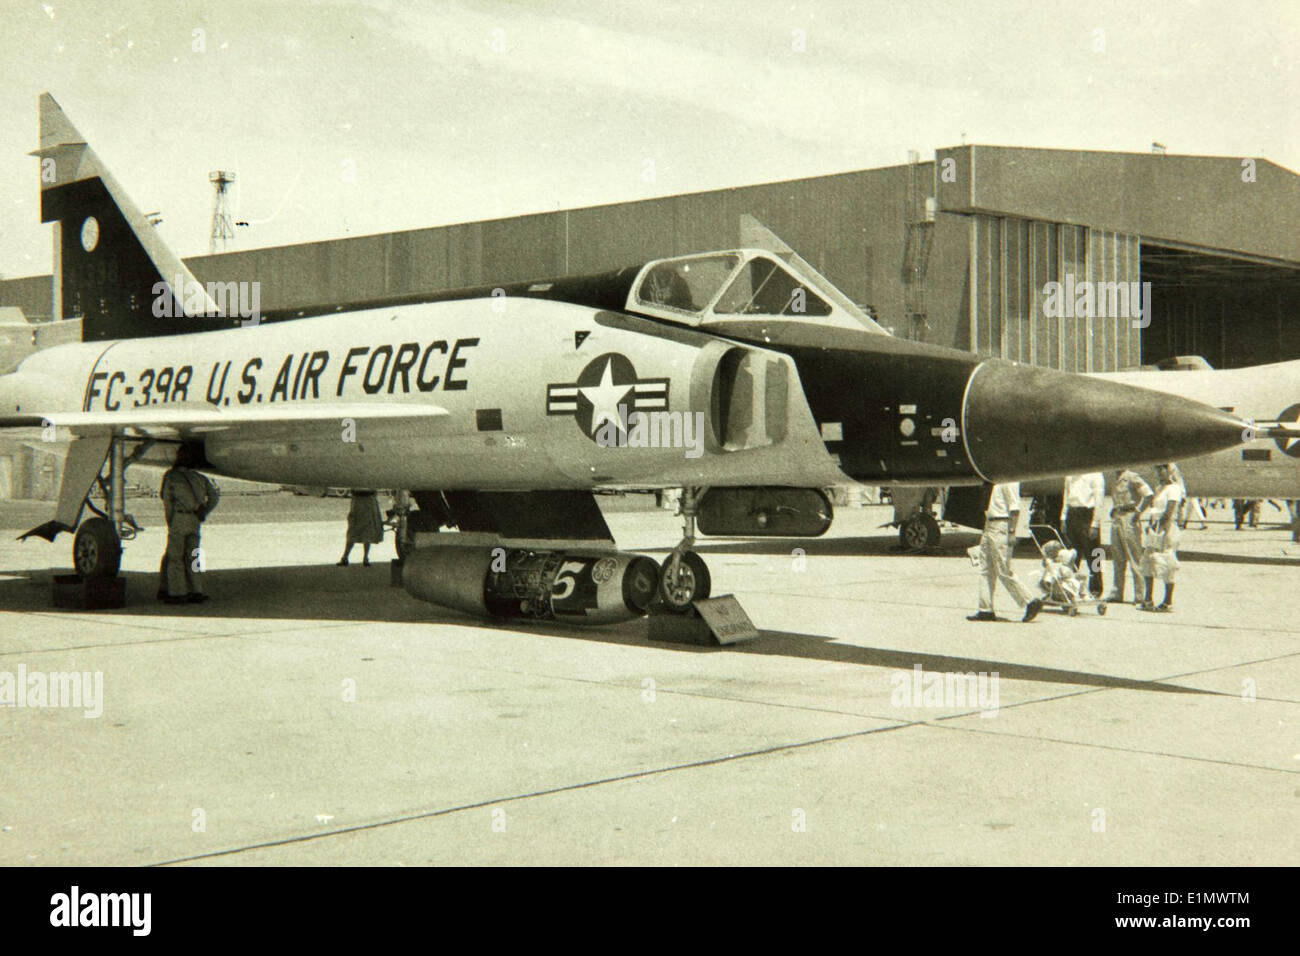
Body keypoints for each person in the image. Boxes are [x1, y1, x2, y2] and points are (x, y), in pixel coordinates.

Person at [969, 482, 1043, 623]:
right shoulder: (994, 480)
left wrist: (1012, 533)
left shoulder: (1009, 480)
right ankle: (985, 610)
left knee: (1003, 569)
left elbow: (1015, 509)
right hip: (989, 524)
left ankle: (1030, 601)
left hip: (1001, 525)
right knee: (985, 569)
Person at [158, 445, 220, 604]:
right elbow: (214, 496)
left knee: (175, 557)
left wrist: (170, 522)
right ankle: (197, 590)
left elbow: (168, 503)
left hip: (180, 518)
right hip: (195, 520)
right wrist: (204, 511)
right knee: (193, 556)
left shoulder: (172, 477)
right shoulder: (199, 477)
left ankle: (178, 593)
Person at [1104, 467, 1152, 604]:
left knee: (1134, 557)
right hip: (1117, 517)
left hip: (1129, 517)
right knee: (1118, 557)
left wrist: (1139, 511)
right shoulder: (1117, 479)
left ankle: (1140, 595)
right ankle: (1117, 593)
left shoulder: (1132, 477)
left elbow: (1148, 494)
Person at [1139, 464, 1182, 612]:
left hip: (1167, 530)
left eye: (1161, 470)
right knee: (1148, 560)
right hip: (1155, 529)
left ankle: (1167, 601)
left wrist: (1156, 528)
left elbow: (1168, 513)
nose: (1158, 473)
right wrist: (1150, 525)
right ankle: (1148, 598)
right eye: (1157, 470)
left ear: (1168, 471)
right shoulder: (1159, 488)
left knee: (1167, 563)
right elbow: (1155, 509)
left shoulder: (1174, 489)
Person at [1060, 472, 1105, 597]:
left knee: (1095, 554)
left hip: (1087, 515)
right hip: (1072, 513)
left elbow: (1099, 501)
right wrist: (1063, 517)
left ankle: (1096, 589)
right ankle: (1070, 587)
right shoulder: (1070, 475)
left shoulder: (1096, 475)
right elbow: (1066, 496)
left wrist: (1095, 524)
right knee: (1072, 554)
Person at [1039, 541, 1090, 612]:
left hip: (1068, 581)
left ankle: (1083, 595)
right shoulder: (1053, 566)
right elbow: (1049, 578)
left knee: (1081, 579)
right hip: (1061, 584)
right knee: (1067, 585)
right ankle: (1077, 597)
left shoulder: (1063, 565)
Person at [339, 489, 384, 566]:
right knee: (356, 531)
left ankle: (363, 557)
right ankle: (348, 557)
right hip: (361, 501)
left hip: (364, 500)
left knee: (365, 532)